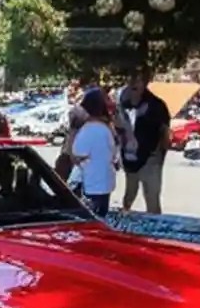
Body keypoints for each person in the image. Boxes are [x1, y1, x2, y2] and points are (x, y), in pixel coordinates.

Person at [116, 66, 170, 213]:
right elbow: (117, 130)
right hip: (129, 158)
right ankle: (124, 222)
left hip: (151, 158)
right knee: (129, 195)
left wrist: (159, 157)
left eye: (138, 80)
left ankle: (155, 229)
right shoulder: (122, 104)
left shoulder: (156, 106)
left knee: (152, 198)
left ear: (145, 83)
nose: (134, 83)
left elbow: (165, 133)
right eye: (131, 79)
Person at [68, 89, 118, 216]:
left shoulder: (87, 130)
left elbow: (76, 155)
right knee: (102, 213)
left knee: (91, 217)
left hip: (91, 184)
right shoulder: (106, 128)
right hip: (106, 182)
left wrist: (72, 131)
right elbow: (113, 153)